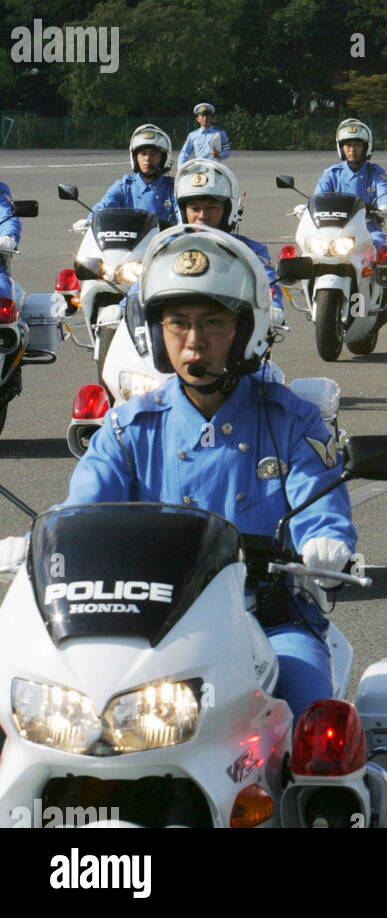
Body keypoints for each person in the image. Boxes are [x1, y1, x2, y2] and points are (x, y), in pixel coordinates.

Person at [52, 227, 354, 718]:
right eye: (177, 323)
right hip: (147, 626)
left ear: (246, 329)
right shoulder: (129, 429)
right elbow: (83, 509)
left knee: (311, 724)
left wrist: (327, 544)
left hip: (268, 621)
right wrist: (49, 545)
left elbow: (319, 505)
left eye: (213, 323)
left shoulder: (291, 421)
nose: (194, 342)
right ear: (156, 333)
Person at [175, 159, 283, 315]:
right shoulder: (169, 247)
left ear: (227, 211)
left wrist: (274, 306)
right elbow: (144, 283)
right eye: (194, 208)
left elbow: (266, 281)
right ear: (184, 212)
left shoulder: (248, 250)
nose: (202, 216)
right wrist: (127, 305)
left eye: (211, 208)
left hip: (231, 326)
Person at [314, 119, 387, 250]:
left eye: (357, 145)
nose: (352, 150)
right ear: (341, 148)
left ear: (366, 148)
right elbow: (318, 198)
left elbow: (384, 192)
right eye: (348, 145)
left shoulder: (375, 173)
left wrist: (386, 206)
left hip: (368, 229)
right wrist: (305, 208)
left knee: (377, 252)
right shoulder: (332, 174)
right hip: (334, 229)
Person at [93, 124, 177, 225]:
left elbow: (184, 217)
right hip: (130, 241)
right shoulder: (124, 187)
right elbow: (102, 207)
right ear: (135, 158)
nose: (147, 158)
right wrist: (90, 219)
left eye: (153, 153)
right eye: (143, 153)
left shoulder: (173, 189)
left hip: (164, 240)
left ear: (163, 158)